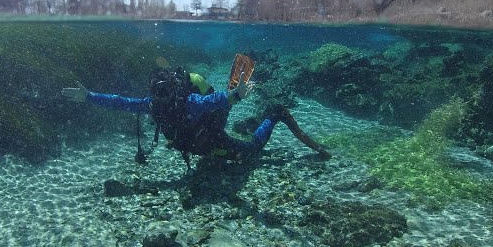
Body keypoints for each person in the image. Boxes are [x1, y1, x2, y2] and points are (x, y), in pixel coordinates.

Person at [62, 66, 330, 169]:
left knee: (253, 150)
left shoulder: (188, 103)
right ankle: (231, 103)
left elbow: (211, 100)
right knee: (219, 110)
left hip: (210, 135)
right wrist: (88, 96)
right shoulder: (151, 106)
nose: (163, 97)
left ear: (175, 90)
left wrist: (235, 96)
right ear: (152, 93)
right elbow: (120, 102)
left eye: (167, 91)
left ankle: (274, 115)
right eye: (158, 92)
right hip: (197, 140)